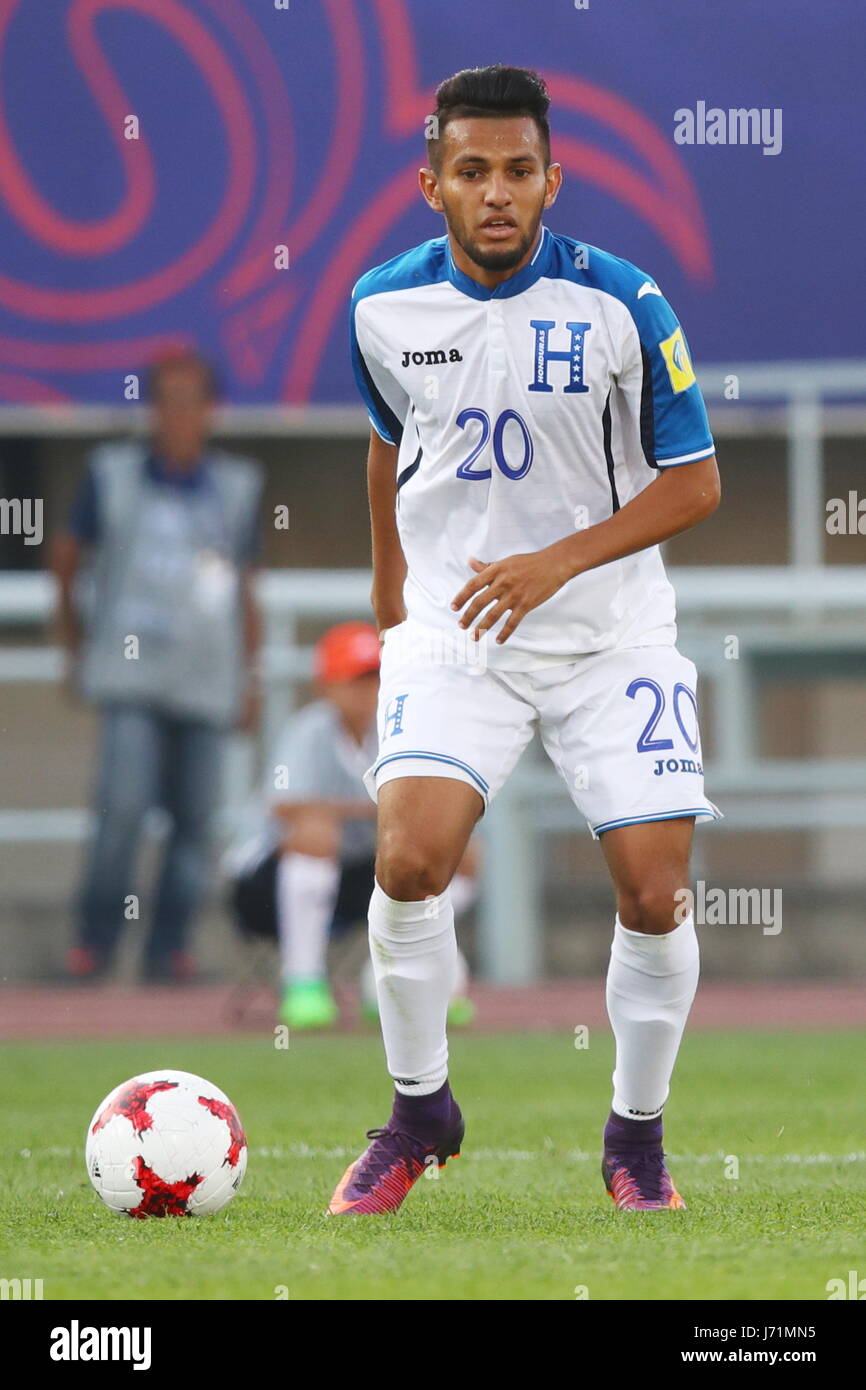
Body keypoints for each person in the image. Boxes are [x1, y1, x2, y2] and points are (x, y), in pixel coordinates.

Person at [328, 65, 722, 1217]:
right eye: (470, 172)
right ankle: (417, 1113)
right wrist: (389, 592)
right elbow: (384, 444)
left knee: (653, 896)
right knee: (407, 862)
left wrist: (558, 559)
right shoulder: (377, 309)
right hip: (459, 632)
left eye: (515, 171)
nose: (494, 192)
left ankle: (634, 1137)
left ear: (552, 179)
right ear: (430, 185)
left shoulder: (625, 304)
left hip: (610, 637)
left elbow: (695, 483)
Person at [52, 350, 264, 982]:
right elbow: (65, 557)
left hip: (207, 676)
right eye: (165, 400)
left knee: (196, 822)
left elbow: (248, 588)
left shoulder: (238, 484)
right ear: (149, 409)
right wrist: (75, 646)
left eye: (190, 400)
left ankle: (169, 951)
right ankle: (93, 944)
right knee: (120, 808)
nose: (177, 414)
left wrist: (246, 678)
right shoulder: (111, 473)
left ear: (210, 411)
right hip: (129, 675)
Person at [226, 621, 477, 1028]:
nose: (368, 691)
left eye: (376, 679)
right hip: (266, 889)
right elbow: (288, 805)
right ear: (326, 686)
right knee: (316, 832)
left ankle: (392, 973)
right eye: (356, 680)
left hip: (356, 880)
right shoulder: (311, 729)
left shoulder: (396, 731)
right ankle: (303, 981)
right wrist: (384, 811)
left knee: (461, 850)